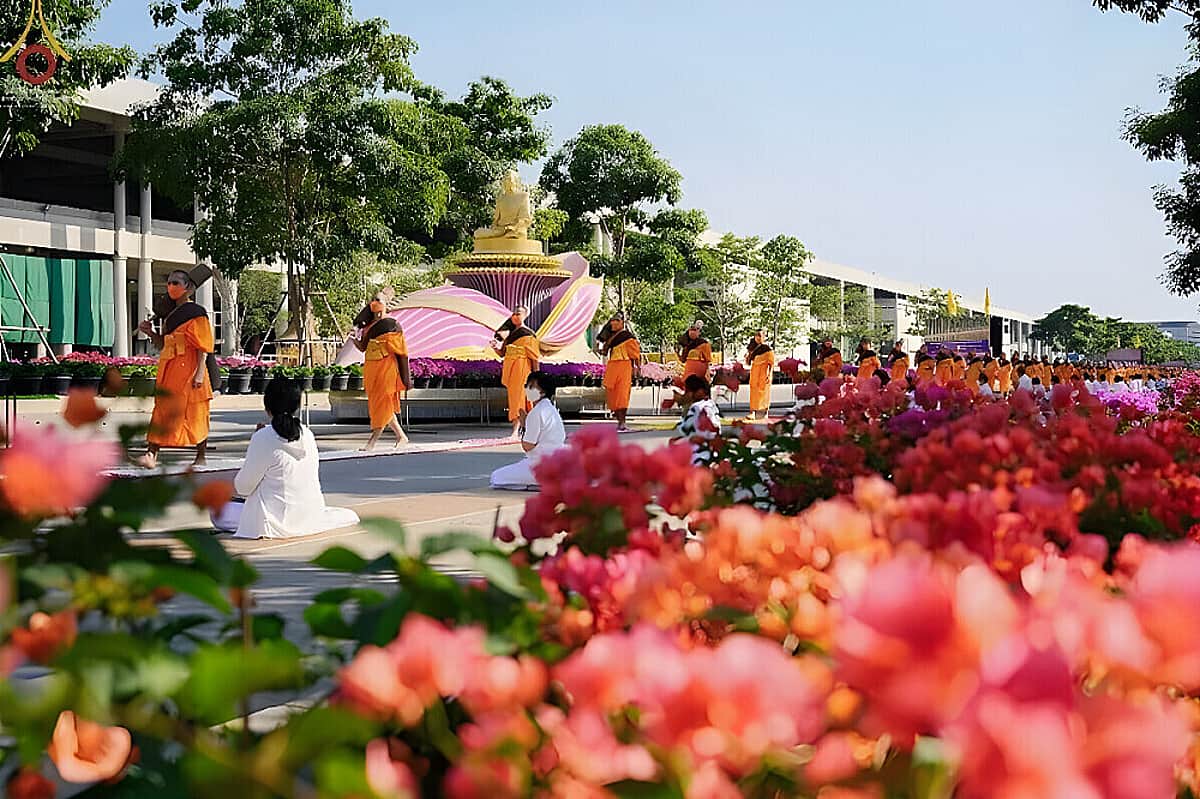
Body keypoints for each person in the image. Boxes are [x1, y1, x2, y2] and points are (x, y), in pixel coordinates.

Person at [214, 379, 359, 539]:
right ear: (296, 407)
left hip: (272, 521)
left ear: (267, 406)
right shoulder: (307, 434)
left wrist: (257, 439)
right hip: (308, 515)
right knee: (342, 514)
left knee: (217, 511)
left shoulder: (263, 437)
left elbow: (243, 487)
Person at [137, 270, 214, 468]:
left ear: (187, 287)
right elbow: (163, 343)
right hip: (170, 369)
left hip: (190, 369)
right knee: (162, 408)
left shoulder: (197, 313)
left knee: (195, 411)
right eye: (169, 283)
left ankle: (201, 455)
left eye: (176, 283)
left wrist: (199, 373)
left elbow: (203, 346)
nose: (171, 286)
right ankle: (151, 453)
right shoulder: (171, 315)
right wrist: (150, 332)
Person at [351, 297, 411, 451]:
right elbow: (363, 347)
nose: (378, 315)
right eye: (375, 311)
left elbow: (401, 350)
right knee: (381, 403)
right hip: (372, 369)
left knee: (383, 402)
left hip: (387, 368)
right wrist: (353, 339)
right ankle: (401, 436)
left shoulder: (392, 324)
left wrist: (405, 376)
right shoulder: (369, 327)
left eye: (380, 311)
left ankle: (372, 442)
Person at [490, 371, 567, 490]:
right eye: (527, 386)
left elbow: (528, 446)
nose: (527, 390)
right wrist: (526, 423)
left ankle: (537, 483)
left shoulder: (537, 412)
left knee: (496, 477)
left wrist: (524, 426)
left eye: (531, 387)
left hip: (541, 464)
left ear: (542, 392)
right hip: (558, 461)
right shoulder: (550, 409)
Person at [495, 306, 539, 439]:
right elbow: (502, 353)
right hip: (510, 367)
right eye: (513, 314)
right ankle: (527, 430)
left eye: (518, 313)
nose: (515, 316)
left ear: (526, 315)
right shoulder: (509, 335)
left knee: (519, 398)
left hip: (522, 366)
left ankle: (516, 430)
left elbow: (534, 356)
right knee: (515, 397)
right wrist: (494, 348)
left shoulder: (528, 334)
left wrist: (537, 375)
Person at [600, 313, 640, 432]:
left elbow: (635, 354)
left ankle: (622, 423)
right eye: (612, 321)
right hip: (612, 366)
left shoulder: (627, 336)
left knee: (622, 395)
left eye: (616, 320)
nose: (613, 323)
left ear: (622, 322)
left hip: (624, 366)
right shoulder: (610, 337)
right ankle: (618, 421)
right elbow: (604, 351)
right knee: (612, 393)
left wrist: (637, 368)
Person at [672, 375, 722, 465]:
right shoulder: (711, 404)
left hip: (698, 455)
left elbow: (683, 429)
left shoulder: (696, 408)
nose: (685, 395)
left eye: (687, 391)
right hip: (713, 451)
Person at [745, 329, 775, 421]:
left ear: (764, 337)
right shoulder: (752, 348)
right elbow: (748, 363)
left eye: (760, 336)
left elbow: (771, 363)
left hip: (764, 373)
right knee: (753, 392)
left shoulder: (767, 349)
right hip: (754, 373)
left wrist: (769, 375)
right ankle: (752, 412)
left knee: (764, 393)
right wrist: (748, 356)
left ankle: (765, 411)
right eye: (756, 336)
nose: (758, 338)